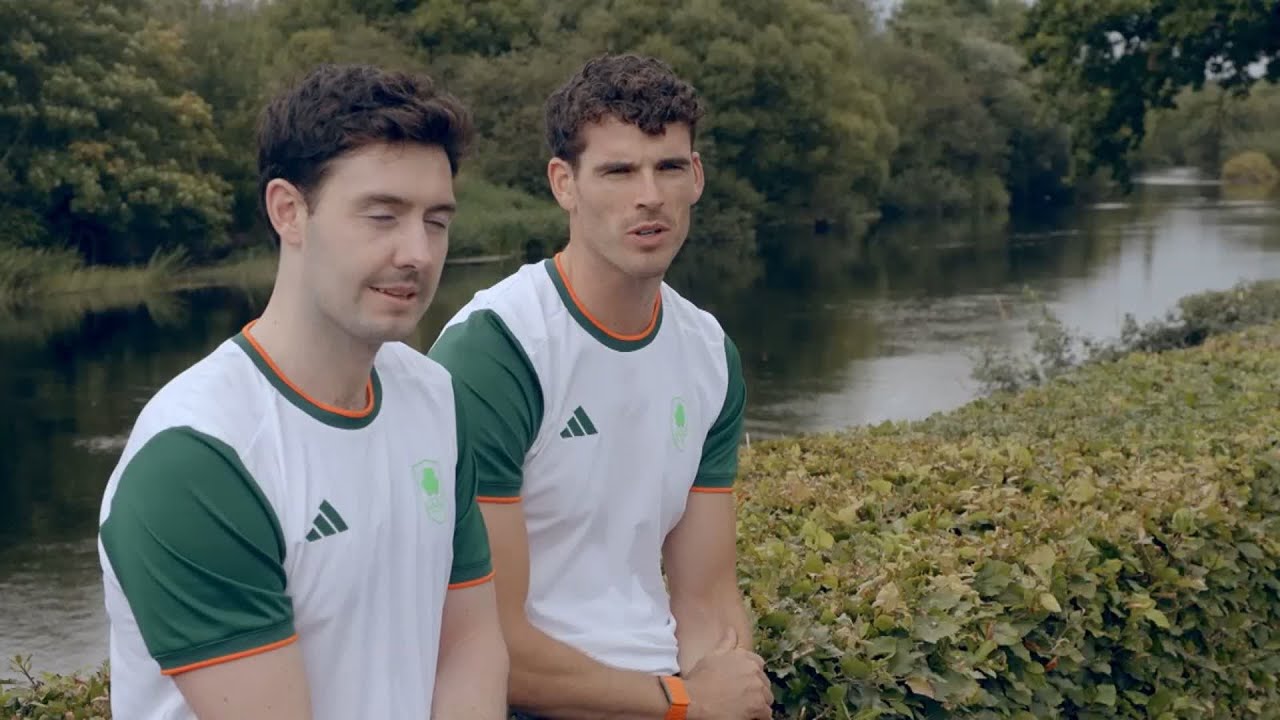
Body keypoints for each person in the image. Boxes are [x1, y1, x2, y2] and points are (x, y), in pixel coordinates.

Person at [96, 63, 508, 720]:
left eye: (436, 220)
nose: (420, 254)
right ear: (289, 211)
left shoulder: (436, 398)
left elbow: (470, 645)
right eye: (383, 215)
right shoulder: (197, 458)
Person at [428, 54, 774, 719]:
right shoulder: (498, 349)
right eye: (618, 171)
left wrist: (718, 691)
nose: (649, 196)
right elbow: (486, 645)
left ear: (696, 177)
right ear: (565, 183)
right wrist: (683, 703)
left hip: (660, 692)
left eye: (669, 167)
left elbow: (706, 598)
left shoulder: (708, 352)